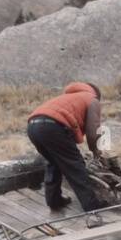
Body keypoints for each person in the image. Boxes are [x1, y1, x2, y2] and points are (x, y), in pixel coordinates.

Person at [26, 82, 105, 213]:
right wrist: (95, 151)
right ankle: (92, 207)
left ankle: (54, 200)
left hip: (33, 126)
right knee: (76, 166)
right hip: (53, 127)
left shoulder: (69, 98)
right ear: (96, 94)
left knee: (53, 162)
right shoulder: (92, 99)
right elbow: (93, 130)